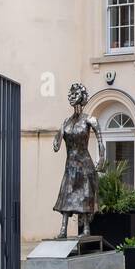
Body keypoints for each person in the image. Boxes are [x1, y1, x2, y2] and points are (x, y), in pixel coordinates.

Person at [52, 82, 106, 238]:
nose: (72, 96)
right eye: (71, 94)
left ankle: (86, 229)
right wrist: (58, 137)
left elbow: (101, 141)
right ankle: (63, 229)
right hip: (70, 165)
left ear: (82, 98)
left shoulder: (90, 120)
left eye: (75, 94)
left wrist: (101, 158)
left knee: (84, 195)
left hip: (84, 164)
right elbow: (56, 145)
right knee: (66, 195)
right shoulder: (66, 122)